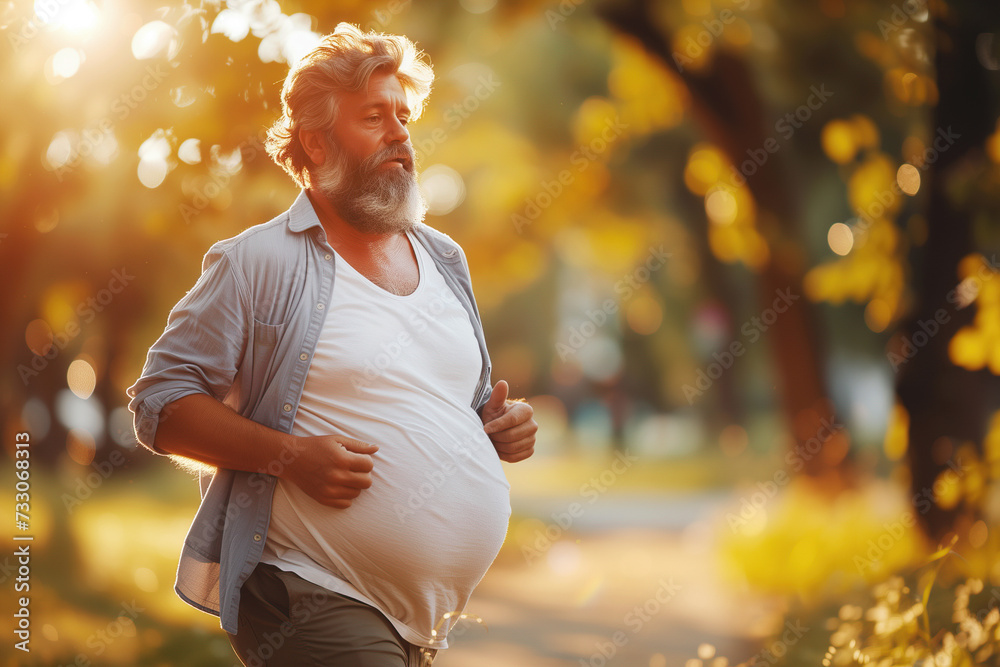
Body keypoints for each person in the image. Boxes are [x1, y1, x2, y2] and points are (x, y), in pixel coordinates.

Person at [126, 23, 536, 667]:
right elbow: (160, 404)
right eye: (374, 117)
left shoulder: (445, 258)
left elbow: (455, 401)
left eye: (404, 116)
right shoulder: (255, 262)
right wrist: (289, 457)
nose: (400, 134)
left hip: (418, 623)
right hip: (309, 589)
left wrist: (500, 425)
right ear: (315, 142)